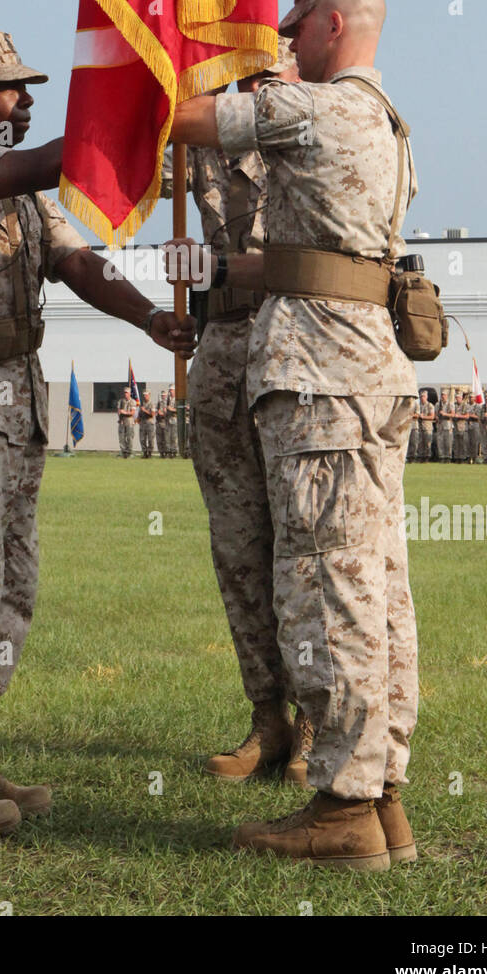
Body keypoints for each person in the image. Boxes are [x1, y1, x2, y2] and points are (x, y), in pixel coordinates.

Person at [0, 30, 195, 839]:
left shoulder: (22, 194)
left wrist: (152, 318)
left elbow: (77, 265)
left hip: (13, 415)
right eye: (9, 89)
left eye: (28, 88)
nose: (24, 100)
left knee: (9, 592)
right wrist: (128, 116)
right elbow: (44, 162)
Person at [168, 0, 419, 870]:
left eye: (295, 23)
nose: (284, 36)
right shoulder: (384, 118)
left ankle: (343, 806)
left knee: (329, 585)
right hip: (360, 370)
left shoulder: (321, 107)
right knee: (376, 586)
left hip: (322, 377)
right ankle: (379, 792)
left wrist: (143, 69)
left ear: (327, 27)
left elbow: (187, 117)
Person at [162, 42, 312, 784]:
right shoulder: (204, 140)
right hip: (223, 350)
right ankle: (267, 720)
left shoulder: (318, 130)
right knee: (238, 548)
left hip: (298, 350)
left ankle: (319, 719)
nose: (251, 89)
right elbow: (130, 174)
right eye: (239, 77)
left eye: (266, 76)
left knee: (304, 543)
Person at [116, 388, 136, 458]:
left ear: (130, 393)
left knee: (129, 437)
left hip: (129, 421)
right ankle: (123, 452)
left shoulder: (133, 401)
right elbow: (118, 411)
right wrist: (120, 418)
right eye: (125, 392)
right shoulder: (121, 401)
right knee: (121, 437)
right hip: (122, 421)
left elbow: (132, 412)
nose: (125, 394)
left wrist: (125, 412)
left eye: (127, 392)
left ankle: (129, 452)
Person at [436, 390, 454, 462]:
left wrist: (445, 414)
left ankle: (448, 457)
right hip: (440, 425)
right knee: (440, 442)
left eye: (444, 395)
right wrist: (437, 417)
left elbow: (453, 414)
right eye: (442, 395)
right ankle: (441, 457)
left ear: (447, 396)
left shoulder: (450, 404)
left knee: (448, 442)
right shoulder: (438, 405)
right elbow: (435, 414)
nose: (443, 396)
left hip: (447, 424)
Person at [417, 390, 435, 462]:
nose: (422, 398)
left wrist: (423, 417)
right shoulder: (418, 406)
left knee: (428, 443)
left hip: (427, 427)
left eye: (423, 396)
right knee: (421, 443)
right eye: (421, 396)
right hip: (420, 427)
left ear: (426, 397)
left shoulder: (430, 405)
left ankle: (427, 458)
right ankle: (421, 457)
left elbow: (432, 417)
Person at [138, 391, 156, 458]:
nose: (145, 396)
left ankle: (150, 453)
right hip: (142, 423)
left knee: (150, 439)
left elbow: (153, 414)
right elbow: (140, 413)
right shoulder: (142, 404)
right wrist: (138, 420)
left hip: (149, 422)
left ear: (149, 395)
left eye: (146, 395)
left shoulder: (152, 404)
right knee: (142, 439)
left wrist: (145, 410)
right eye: (144, 395)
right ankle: (145, 453)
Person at [165, 387, 178, 457]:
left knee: (174, 436)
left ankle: (174, 451)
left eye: (172, 390)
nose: (171, 391)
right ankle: (169, 451)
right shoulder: (168, 399)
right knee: (168, 436)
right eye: (170, 390)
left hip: (174, 419)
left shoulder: (177, 399)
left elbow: (179, 409)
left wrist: (171, 409)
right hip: (168, 419)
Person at [155, 391, 168, 457]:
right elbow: (155, 412)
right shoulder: (159, 403)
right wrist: (157, 412)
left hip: (165, 422)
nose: (163, 396)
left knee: (165, 439)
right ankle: (161, 452)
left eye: (164, 395)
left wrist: (163, 413)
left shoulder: (168, 403)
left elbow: (169, 413)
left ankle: (166, 452)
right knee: (159, 439)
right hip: (159, 422)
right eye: (162, 395)